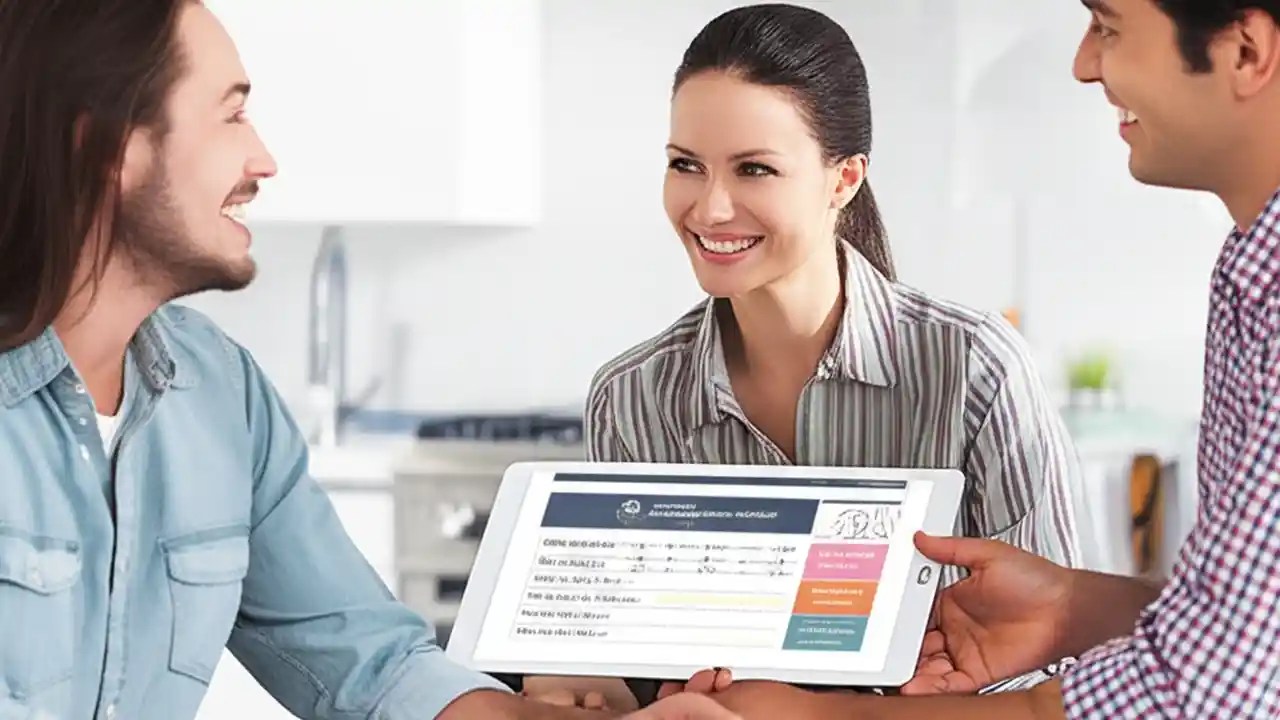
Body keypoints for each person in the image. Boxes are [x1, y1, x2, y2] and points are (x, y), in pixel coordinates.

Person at [0, 3, 637, 719]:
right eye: (231, 116)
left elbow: (371, 665)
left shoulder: (219, 395)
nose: (263, 159)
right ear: (107, 148)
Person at [658, 0, 1280, 717]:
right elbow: (1242, 631)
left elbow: (1201, 694)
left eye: (1107, 27)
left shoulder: (974, 364)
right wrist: (1072, 607)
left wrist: (816, 713)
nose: (1082, 64)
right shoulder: (1248, 280)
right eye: (685, 165)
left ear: (1244, 51)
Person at [526, 2, 1091, 709]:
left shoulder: (973, 368)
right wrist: (588, 681)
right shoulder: (633, 397)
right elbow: (639, 662)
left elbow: (1060, 657)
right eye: (686, 165)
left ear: (844, 179)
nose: (710, 207)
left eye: (755, 169)